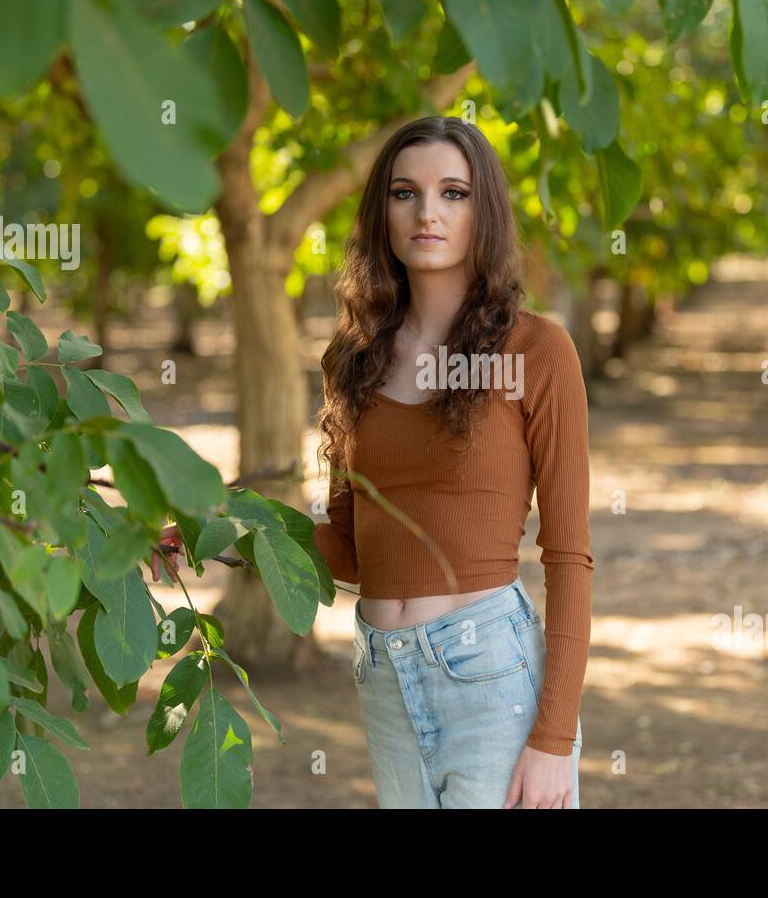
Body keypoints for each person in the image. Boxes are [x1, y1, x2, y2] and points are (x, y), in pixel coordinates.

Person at [158, 115, 593, 809]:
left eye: (453, 192)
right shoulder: (353, 361)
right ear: (381, 211)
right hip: (385, 677)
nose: (427, 212)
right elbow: (352, 549)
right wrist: (223, 526)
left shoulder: (537, 352)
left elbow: (570, 555)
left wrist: (552, 736)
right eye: (404, 193)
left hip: (491, 677)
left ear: (484, 212)